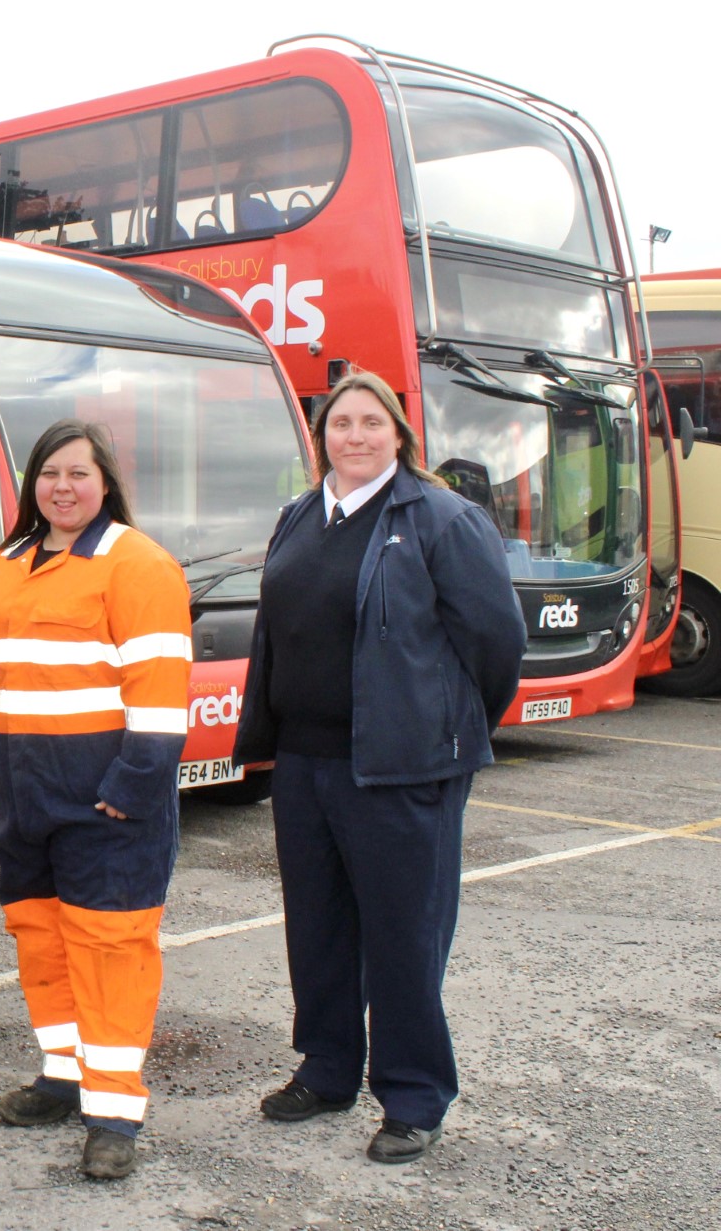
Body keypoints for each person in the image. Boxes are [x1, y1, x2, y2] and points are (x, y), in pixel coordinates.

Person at [234, 369, 525, 1164]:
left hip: (403, 770)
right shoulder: (301, 515)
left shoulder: (443, 519)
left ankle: (414, 1095)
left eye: (371, 422)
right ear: (320, 435)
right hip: (305, 763)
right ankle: (327, 1068)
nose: (355, 436)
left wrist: (442, 730)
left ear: (399, 434)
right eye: (341, 423)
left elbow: (497, 642)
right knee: (319, 927)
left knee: (404, 936)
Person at [0, 419, 193, 1181]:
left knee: (110, 952)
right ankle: (63, 1075)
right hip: (25, 801)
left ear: (105, 483)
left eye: (78, 473)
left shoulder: (138, 563)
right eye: (49, 473)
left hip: (107, 805)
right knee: (41, 940)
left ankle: (113, 1113)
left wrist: (130, 790)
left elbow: (161, 697)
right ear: (31, 482)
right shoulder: (5, 564)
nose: (62, 487)